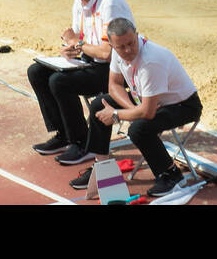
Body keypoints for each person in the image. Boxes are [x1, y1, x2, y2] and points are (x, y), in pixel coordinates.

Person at [68, 17, 203, 198]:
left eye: (131, 43)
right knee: (99, 106)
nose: (128, 50)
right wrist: (131, 109)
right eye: (121, 47)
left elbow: (147, 112)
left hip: (183, 105)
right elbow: (114, 86)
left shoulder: (151, 62)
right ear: (113, 46)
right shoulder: (118, 51)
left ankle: (171, 174)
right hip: (144, 98)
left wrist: (117, 114)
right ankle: (100, 167)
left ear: (137, 35)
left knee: (138, 128)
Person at [27, 0, 135, 162]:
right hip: (89, 62)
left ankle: (82, 143)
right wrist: (68, 49)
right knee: (37, 72)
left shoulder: (110, 4)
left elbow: (107, 53)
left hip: (115, 70)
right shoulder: (79, 2)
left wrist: (76, 43)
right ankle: (64, 135)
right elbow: (77, 41)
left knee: (59, 82)